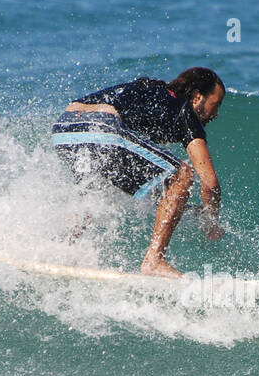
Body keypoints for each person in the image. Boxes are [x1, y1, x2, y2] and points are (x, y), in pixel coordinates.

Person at [52, 67, 224, 278]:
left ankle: (61, 246)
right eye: (215, 105)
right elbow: (209, 182)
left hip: (64, 130)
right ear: (197, 97)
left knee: (97, 188)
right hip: (100, 128)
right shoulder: (183, 110)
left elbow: (163, 198)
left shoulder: (151, 90)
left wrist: (189, 210)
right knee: (182, 175)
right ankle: (155, 259)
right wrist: (211, 221)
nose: (216, 115)